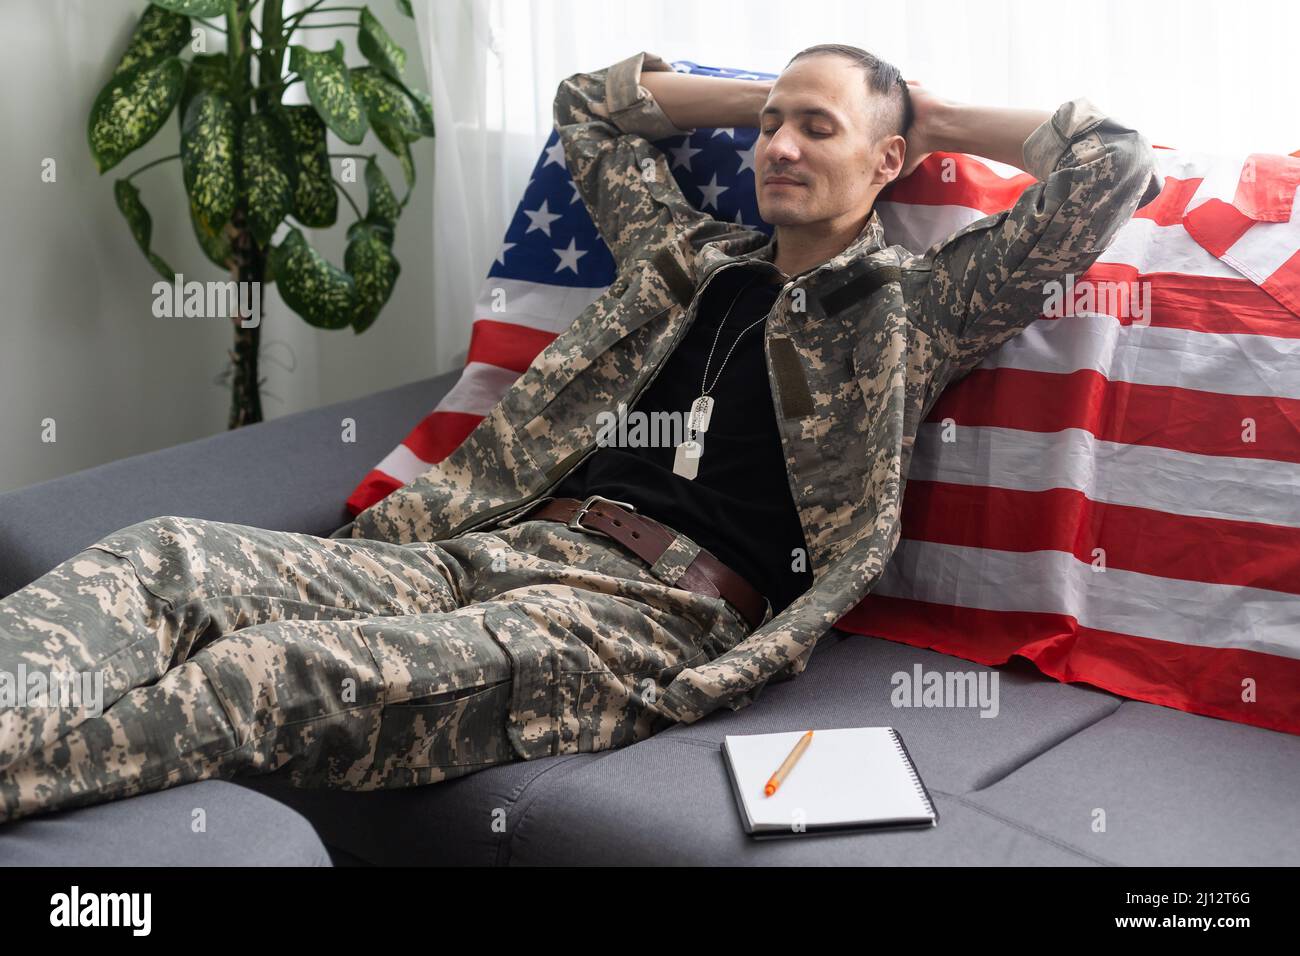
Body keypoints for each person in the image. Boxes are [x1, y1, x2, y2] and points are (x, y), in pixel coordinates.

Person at [0, 44, 1159, 823]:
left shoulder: (912, 302)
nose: (778, 148)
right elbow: (587, 110)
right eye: (769, 129)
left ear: (887, 162)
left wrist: (926, 110)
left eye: (816, 129)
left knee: (290, 673)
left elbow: (1111, 163)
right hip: (474, 549)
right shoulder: (685, 253)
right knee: (164, 555)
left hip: (639, 618)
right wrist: (763, 90)